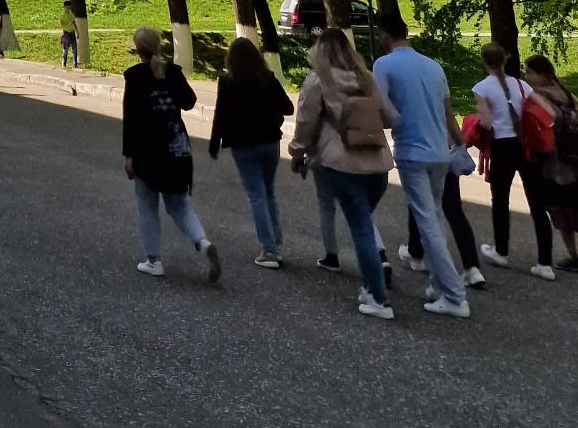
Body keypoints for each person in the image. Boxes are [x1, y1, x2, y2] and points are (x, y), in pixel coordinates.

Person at [290, 28, 396, 318]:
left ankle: (378, 298)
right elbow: (389, 117)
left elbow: (306, 122)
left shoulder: (318, 81)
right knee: (363, 223)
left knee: (360, 227)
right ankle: (371, 286)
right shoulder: (367, 79)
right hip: (378, 164)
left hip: (341, 163)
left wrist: (297, 152)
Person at [373, 12, 468, 317]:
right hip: (440, 152)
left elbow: (381, 109)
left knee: (427, 222)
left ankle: (454, 295)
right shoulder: (433, 66)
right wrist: (459, 145)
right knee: (435, 218)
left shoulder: (384, 65)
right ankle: (439, 285)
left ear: (385, 34)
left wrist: (393, 123)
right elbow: (448, 111)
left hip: (412, 152)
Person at [123, 26, 219, 281]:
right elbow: (189, 101)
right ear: (159, 46)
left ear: (137, 49)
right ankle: (202, 241)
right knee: (179, 205)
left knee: (147, 206)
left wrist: (128, 155)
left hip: (147, 150)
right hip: (177, 146)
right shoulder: (173, 72)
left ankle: (154, 261)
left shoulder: (134, 76)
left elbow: (131, 118)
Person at [207, 35, 293, 267]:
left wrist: (214, 144)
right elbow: (288, 107)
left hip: (243, 145)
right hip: (269, 142)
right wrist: (273, 117)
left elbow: (220, 115)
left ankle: (269, 251)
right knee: (268, 192)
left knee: (256, 195)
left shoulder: (227, 82)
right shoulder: (268, 79)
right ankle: (275, 238)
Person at [474, 43, 554, 278]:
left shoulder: (482, 87)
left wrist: (474, 123)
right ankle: (545, 262)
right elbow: (547, 110)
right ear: (505, 59)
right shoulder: (522, 84)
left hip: (502, 146)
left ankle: (501, 250)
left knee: (500, 199)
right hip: (525, 144)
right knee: (537, 202)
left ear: (484, 61)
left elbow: (487, 123)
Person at [525, 55, 578, 272]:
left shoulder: (538, 95)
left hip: (557, 164)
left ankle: (574, 257)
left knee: (563, 211)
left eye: (529, 72)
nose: (526, 76)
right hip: (574, 160)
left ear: (542, 74)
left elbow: (548, 118)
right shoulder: (566, 93)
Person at [403, 170, 482, 288]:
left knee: (418, 204)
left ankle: (416, 253)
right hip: (447, 159)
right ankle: (471, 267)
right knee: (454, 211)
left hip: (421, 159)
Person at [60, 0, 81, 70]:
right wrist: (62, 33)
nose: (68, 9)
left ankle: (75, 64)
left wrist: (77, 32)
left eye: (69, 8)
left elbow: (74, 24)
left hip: (72, 33)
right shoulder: (62, 16)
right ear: (64, 8)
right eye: (67, 8)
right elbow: (61, 24)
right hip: (66, 33)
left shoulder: (72, 15)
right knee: (65, 49)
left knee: (74, 49)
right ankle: (63, 63)